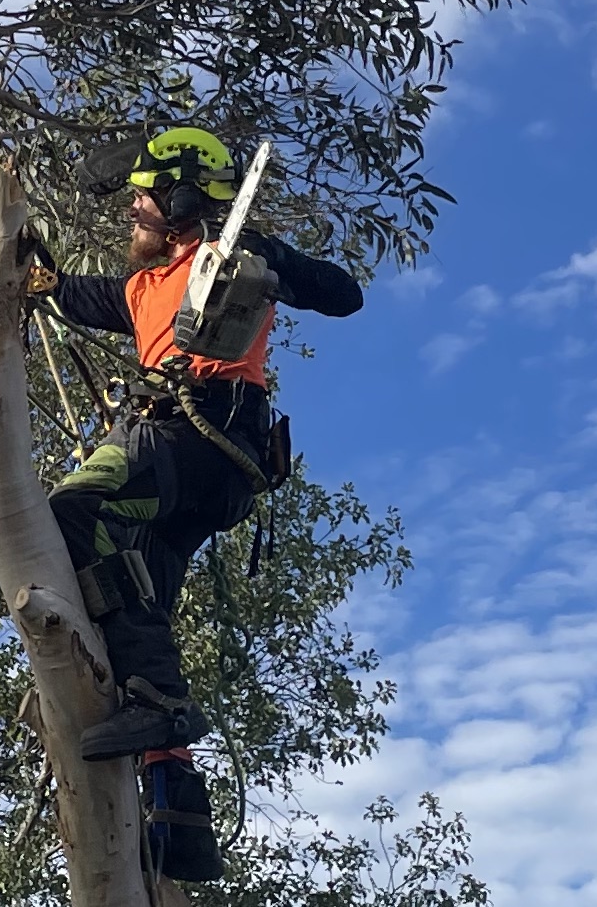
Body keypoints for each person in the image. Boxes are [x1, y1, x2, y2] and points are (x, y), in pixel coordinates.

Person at [37, 127, 364, 772]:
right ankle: (173, 792)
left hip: (198, 431)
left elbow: (343, 294)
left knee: (74, 508)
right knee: (137, 599)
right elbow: (73, 295)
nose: (133, 210)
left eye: (146, 198)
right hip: (195, 472)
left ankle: (160, 701)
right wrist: (34, 273)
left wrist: (268, 263)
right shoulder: (139, 291)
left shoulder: (228, 260)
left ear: (183, 205)